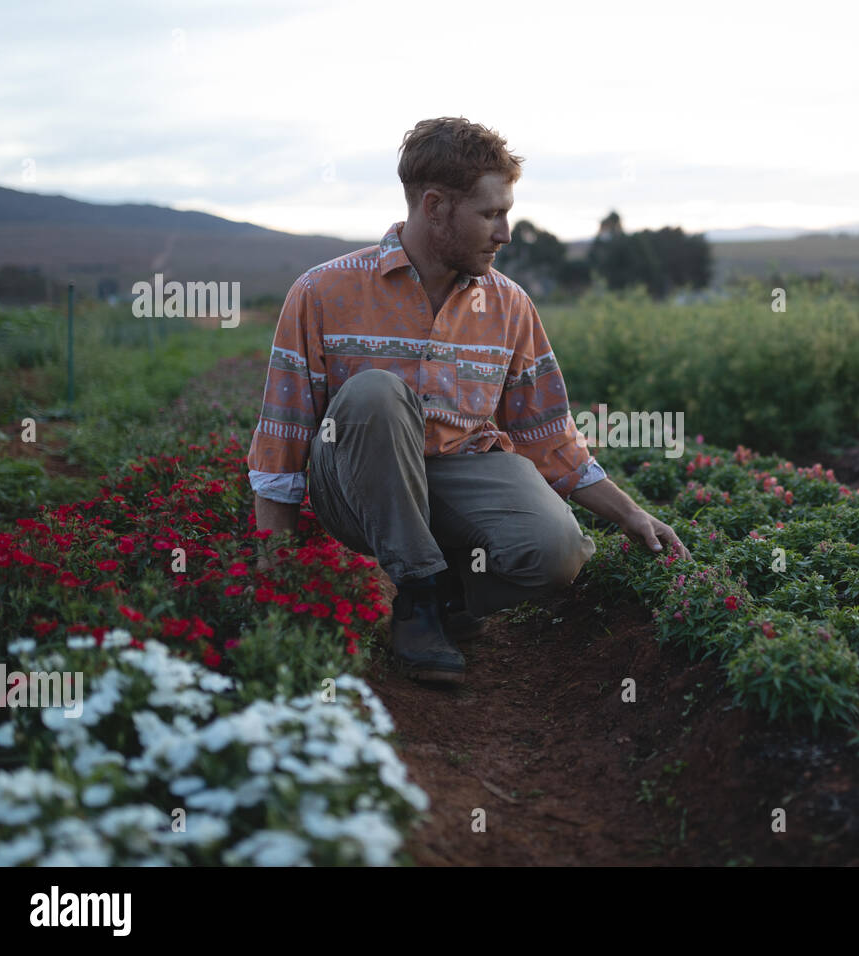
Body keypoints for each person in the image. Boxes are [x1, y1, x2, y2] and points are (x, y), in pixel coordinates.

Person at [246, 116, 690, 685]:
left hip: (461, 478)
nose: (505, 232)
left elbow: (549, 436)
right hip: (354, 488)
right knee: (377, 393)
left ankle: (448, 589)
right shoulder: (323, 292)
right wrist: (274, 570)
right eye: (490, 214)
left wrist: (630, 513)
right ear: (434, 206)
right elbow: (282, 437)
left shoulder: (510, 306)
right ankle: (420, 595)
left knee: (559, 551)